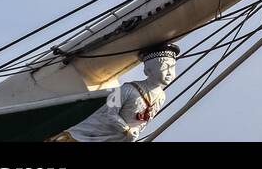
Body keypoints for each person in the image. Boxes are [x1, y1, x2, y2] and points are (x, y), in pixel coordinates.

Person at [50, 44, 178, 142]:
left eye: (172, 68)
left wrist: (135, 132)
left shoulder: (161, 97)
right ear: (148, 70)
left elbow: (143, 123)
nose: (169, 72)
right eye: (164, 67)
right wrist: (127, 130)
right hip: (85, 137)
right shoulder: (124, 89)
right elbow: (108, 113)